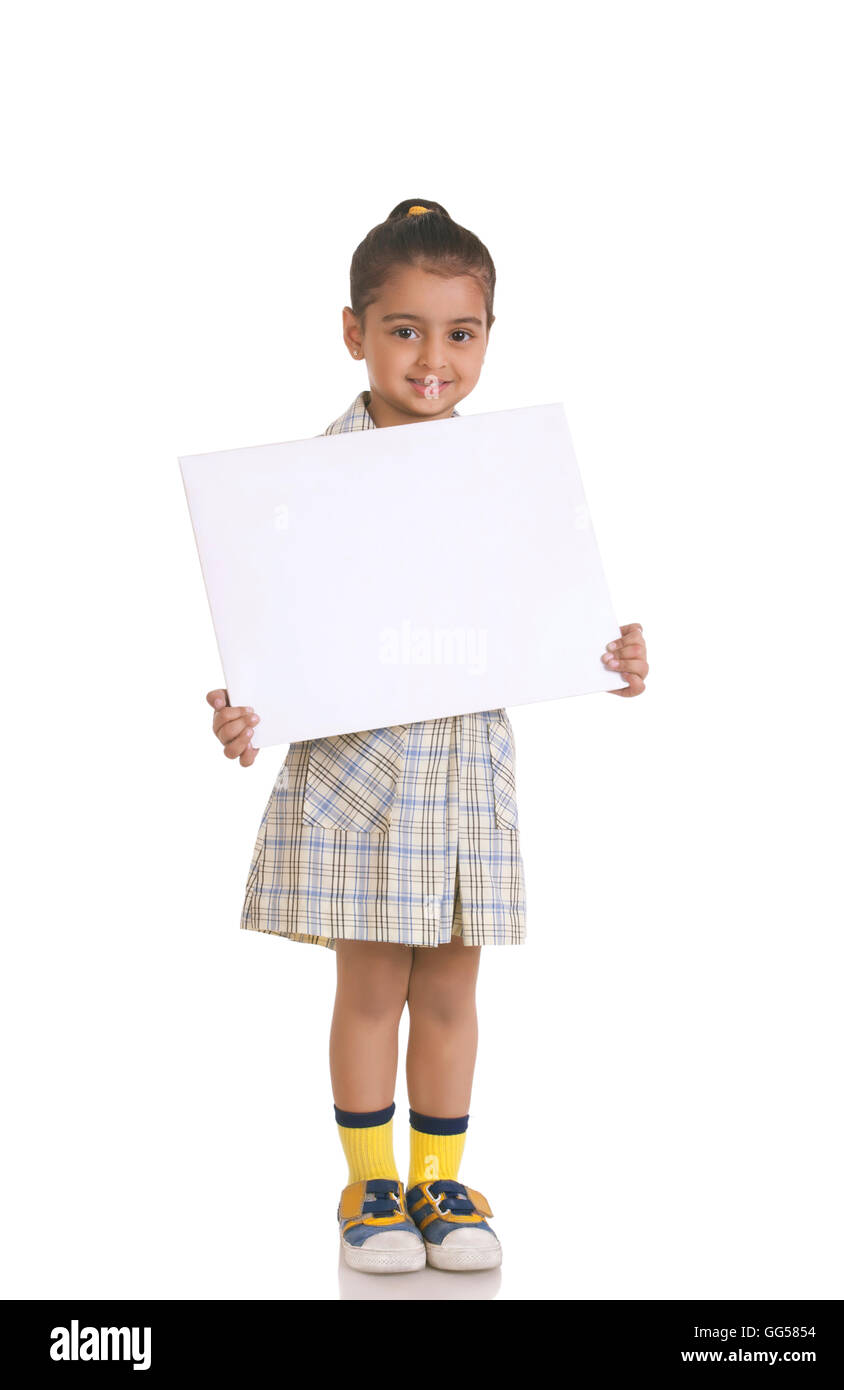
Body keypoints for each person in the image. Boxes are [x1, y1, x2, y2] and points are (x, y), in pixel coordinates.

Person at [206, 200, 650, 1275]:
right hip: (361, 772)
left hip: (464, 769)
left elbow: (546, 612)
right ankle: (368, 1183)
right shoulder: (298, 485)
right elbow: (272, 626)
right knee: (370, 982)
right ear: (354, 332)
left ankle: (439, 1181)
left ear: (489, 334)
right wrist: (242, 707)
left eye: (460, 331)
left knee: (452, 982)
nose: (433, 357)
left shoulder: (510, 477)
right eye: (404, 328)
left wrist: (610, 651)